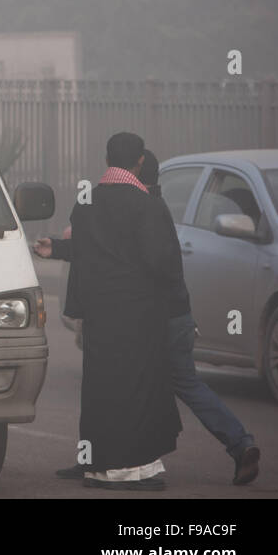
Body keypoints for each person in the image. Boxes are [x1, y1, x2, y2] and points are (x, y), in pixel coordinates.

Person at [37, 148, 259, 486]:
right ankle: (97, 459)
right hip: (165, 314)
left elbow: (140, 263)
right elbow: (105, 249)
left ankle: (233, 445)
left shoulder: (145, 210)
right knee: (151, 385)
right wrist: (58, 247)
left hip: (160, 318)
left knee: (145, 386)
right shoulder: (144, 207)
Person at [58, 132, 182, 491]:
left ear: (107, 159)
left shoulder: (87, 202)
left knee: (100, 389)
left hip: (99, 314)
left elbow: (80, 255)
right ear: (140, 161)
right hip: (139, 316)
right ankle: (127, 469)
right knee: (136, 390)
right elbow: (163, 263)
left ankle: (98, 465)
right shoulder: (147, 204)